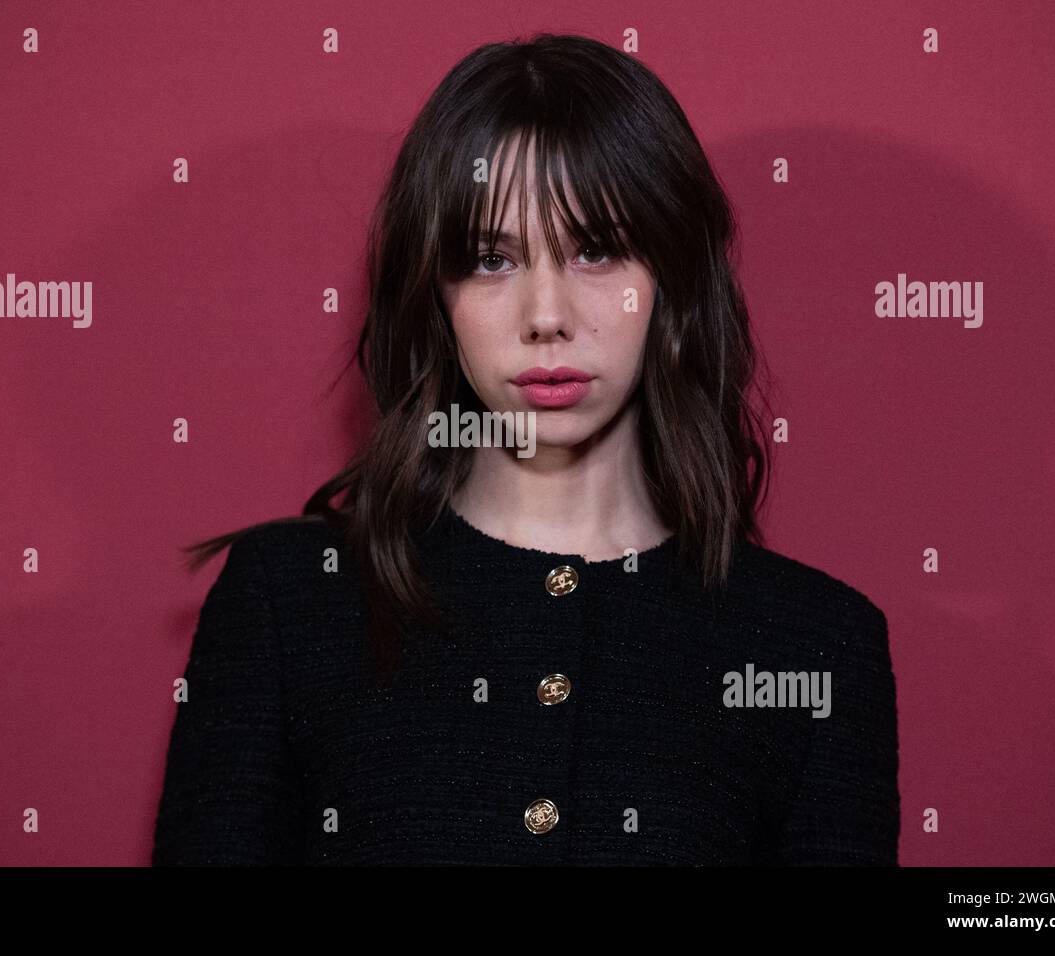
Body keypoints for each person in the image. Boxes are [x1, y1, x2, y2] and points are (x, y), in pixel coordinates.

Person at [151, 33, 899, 866]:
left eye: (597, 248)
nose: (546, 315)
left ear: (673, 280)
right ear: (435, 294)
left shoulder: (814, 646)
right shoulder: (287, 607)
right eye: (490, 259)